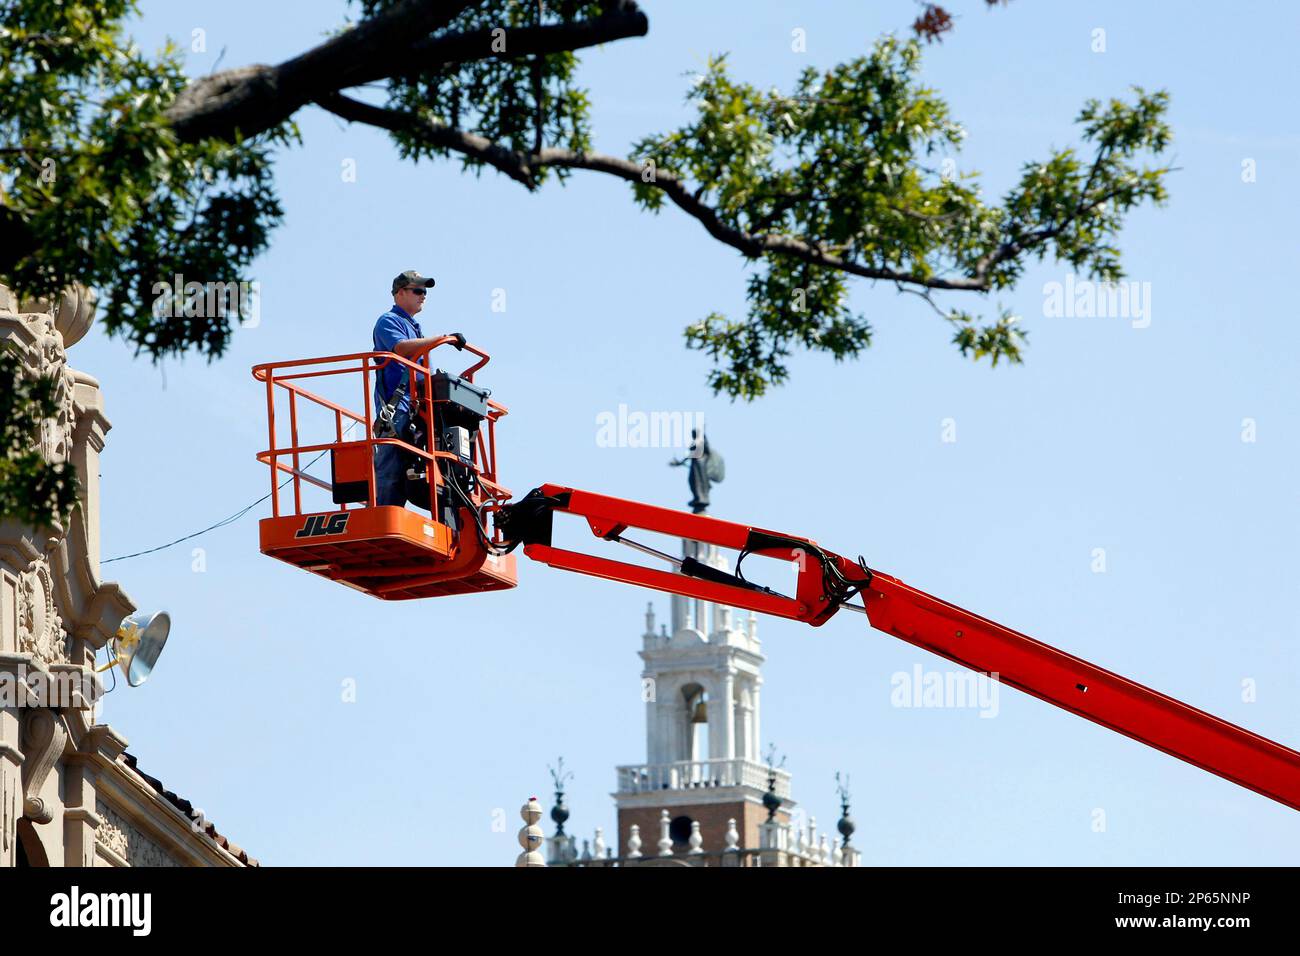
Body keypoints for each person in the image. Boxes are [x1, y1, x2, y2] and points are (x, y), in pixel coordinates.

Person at [371, 269, 465, 507]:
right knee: (392, 462)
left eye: (424, 292)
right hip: (398, 407)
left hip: (417, 408)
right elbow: (401, 348)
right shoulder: (388, 321)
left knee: (425, 464)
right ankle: (386, 514)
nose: (423, 296)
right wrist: (440, 338)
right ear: (400, 293)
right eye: (418, 291)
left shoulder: (414, 327)